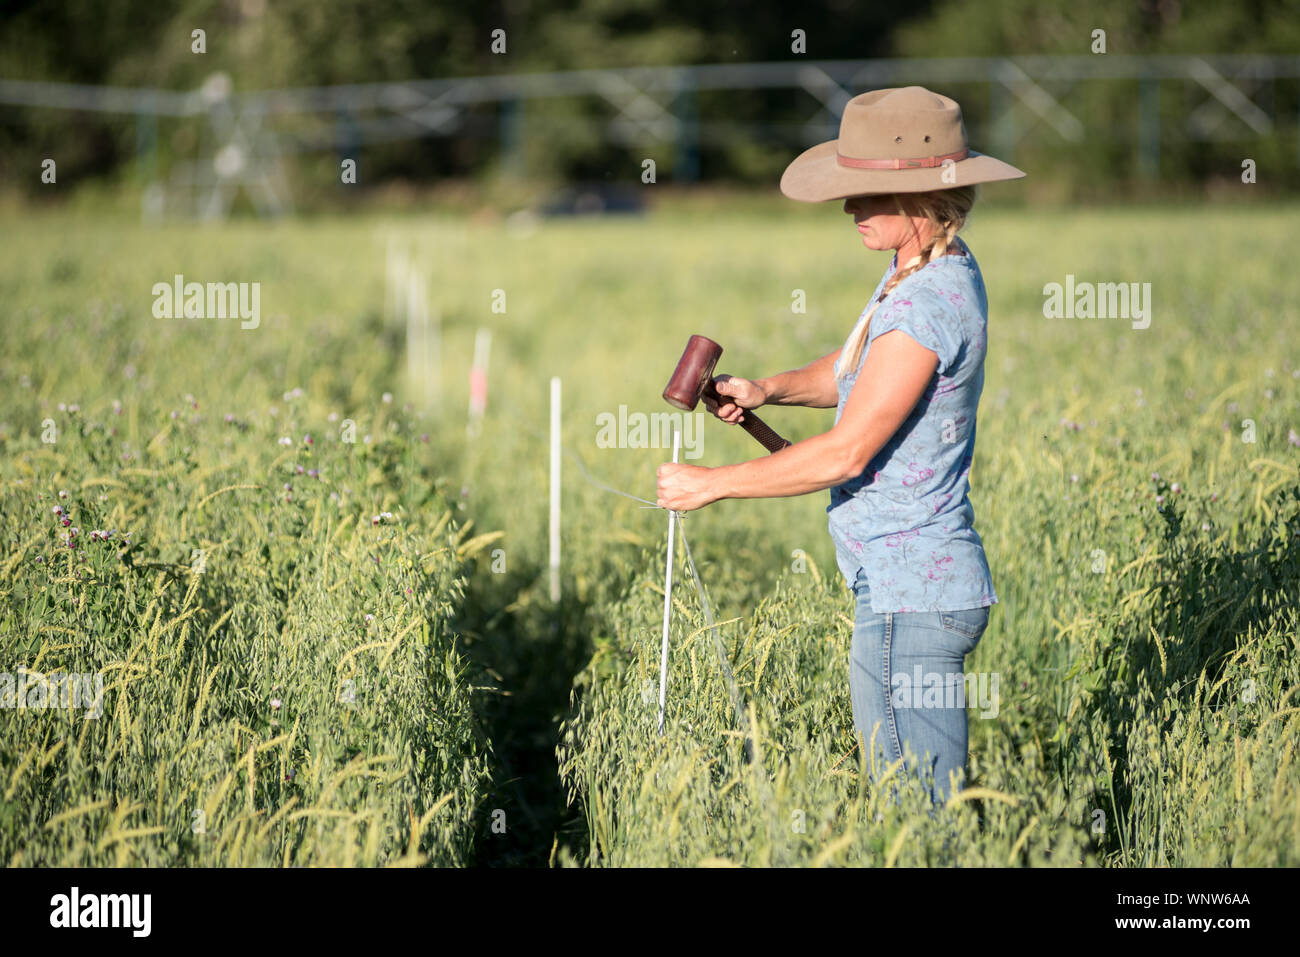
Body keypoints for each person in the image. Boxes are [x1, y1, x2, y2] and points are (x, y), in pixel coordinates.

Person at [655, 86, 1025, 806]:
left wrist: (711, 484)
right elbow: (855, 371)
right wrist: (767, 388)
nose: (849, 208)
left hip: (910, 599)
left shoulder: (924, 302)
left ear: (920, 198)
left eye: (865, 194)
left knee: (918, 823)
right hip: (912, 587)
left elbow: (848, 451)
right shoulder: (922, 270)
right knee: (920, 808)